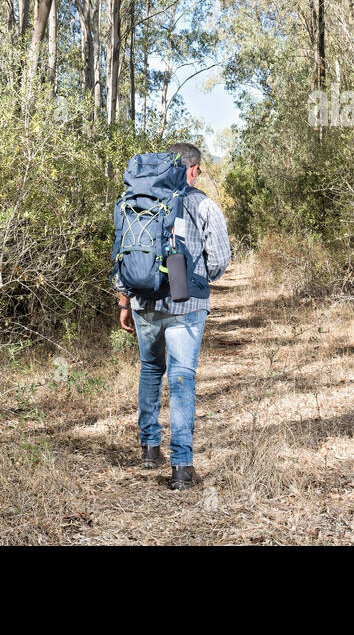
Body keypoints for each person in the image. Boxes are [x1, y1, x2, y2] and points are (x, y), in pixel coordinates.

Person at [115, 142, 230, 490]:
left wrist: (125, 302)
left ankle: (149, 448)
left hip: (144, 301)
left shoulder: (133, 203)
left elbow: (121, 253)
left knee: (151, 369)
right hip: (186, 307)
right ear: (191, 169)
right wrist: (196, 279)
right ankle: (182, 467)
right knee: (181, 379)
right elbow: (220, 260)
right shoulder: (203, 204)